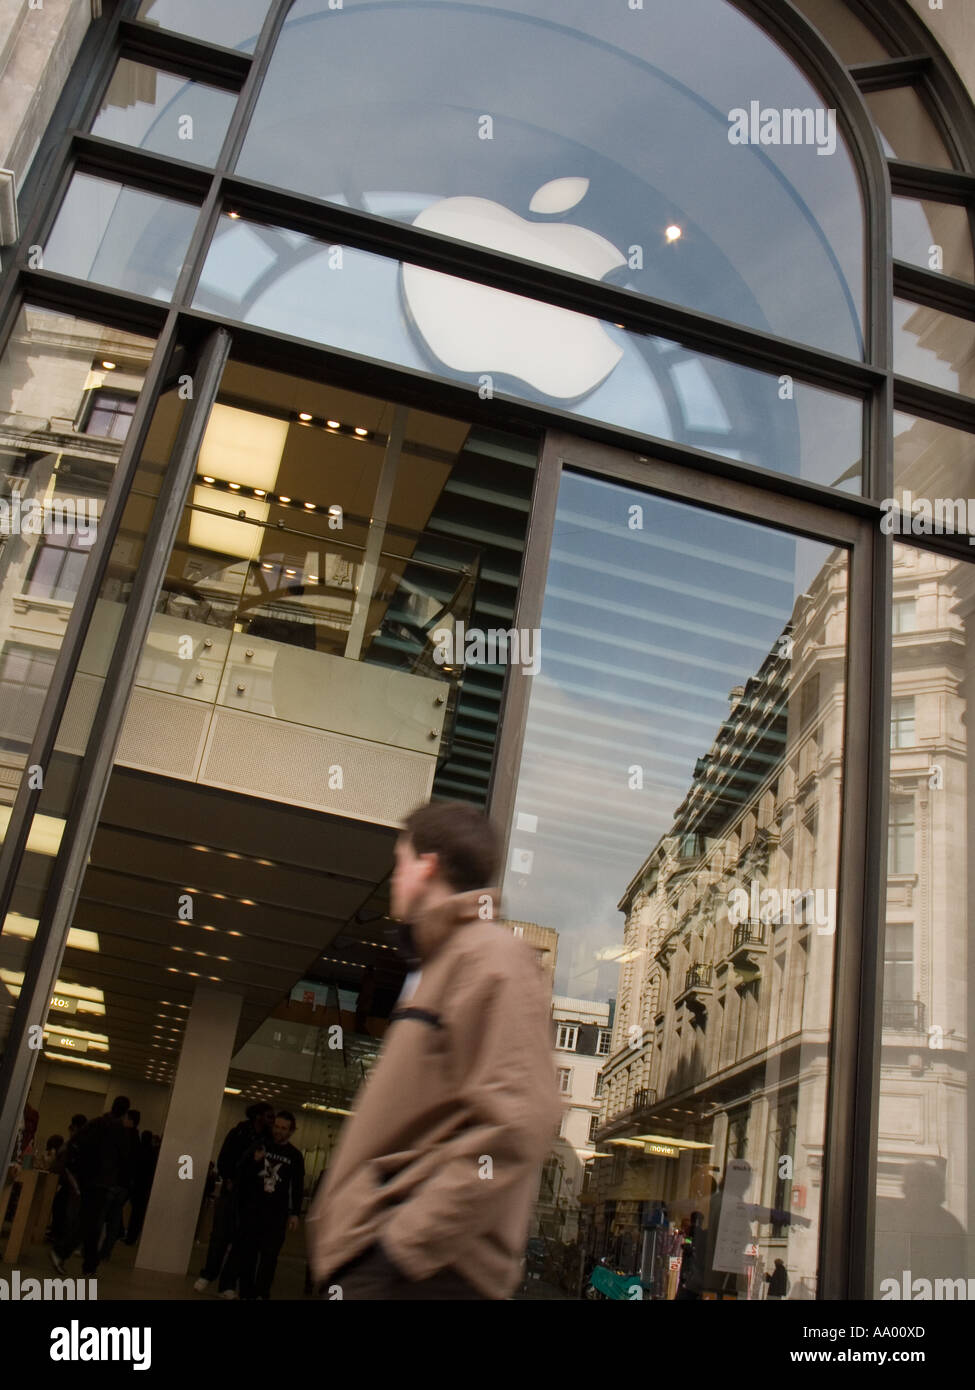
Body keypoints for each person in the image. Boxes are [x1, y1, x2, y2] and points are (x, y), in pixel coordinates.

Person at [306, 800, 562, 1300]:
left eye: (400, 862)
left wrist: (400, 1249)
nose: (395, 878)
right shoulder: (445, 963)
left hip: (426, 1275)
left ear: (427, 866)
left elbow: (519, 1120)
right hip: (394, 1265)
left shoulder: (493, 958)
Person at [193, 1101, 275, 1296]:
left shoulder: (268, 1141)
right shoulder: (238, 1133)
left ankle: (227, 1283)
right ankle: (209, 1273)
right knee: (220, 1236)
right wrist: (229, 1178)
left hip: (252, 1198)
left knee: (240, 1241)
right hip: (232, 1193)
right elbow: (224, 1159)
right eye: (269, 1116)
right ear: (258, 1116)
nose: (272, 1120)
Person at [50, 1095, 130, 1277]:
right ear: (125, 1113)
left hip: (87, 1178)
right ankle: (61, 1252)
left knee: (92, 1221)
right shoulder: (119, 1130)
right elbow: (124, 1158)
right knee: (89, 1221)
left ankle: (90, 1266)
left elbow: (74, 1141)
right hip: (103, 1181)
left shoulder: (96, 1122)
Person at [233, 1110, 305, 1300]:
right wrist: (255, 1162)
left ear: (291, 1131)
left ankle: (261, 1293)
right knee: (248, 1254)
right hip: (253, 1209)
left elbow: (297, 1186)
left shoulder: (295, 1156)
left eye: (283, 1128)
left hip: (276, 1214)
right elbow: (242, 1171)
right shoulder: (260, 1145)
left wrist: (295, 1213)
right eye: (277, 1127)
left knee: (269, 1257)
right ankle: (246, 1293)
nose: (278, 1131)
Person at [99, 1108, 140, 1262]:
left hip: (114, 1182)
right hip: (125, 1186)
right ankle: (106, 1251)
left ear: (130, 1120)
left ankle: (90, 1248)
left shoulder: (123, 1136)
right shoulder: (138, 1139)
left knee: (101, 1216)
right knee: (115, 1219)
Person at [47, 1114, 86, 1250]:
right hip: (75, 1181)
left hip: (71, 1180)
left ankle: (60, 1236)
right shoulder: (85, 1139)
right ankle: (60, 1235)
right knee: (66, 1208)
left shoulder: (74, 1142)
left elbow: (63, 1161)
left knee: (64, 1208)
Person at [124, 1130, 158, 1245]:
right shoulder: (153, 1153)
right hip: (145, 1187)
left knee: (133, 1212)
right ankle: (133, 1237)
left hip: (135, 1185)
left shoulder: (137, 1150)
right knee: (138, 1214)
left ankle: (129, 1235)